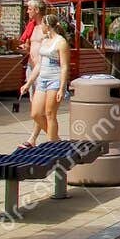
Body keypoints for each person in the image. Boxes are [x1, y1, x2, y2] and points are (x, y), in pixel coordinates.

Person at [23, 12, 70, 144]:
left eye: (42, 25)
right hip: (42, 80)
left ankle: (52, 143)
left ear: (48, 26)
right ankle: (56, 140)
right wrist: (28, 83)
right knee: (36, 114)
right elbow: (39, 64)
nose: (40, 27)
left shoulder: (61, 42)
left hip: (55, 80)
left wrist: (62, 88)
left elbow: (64, 66)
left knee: (50, 114)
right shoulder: (44, 41)